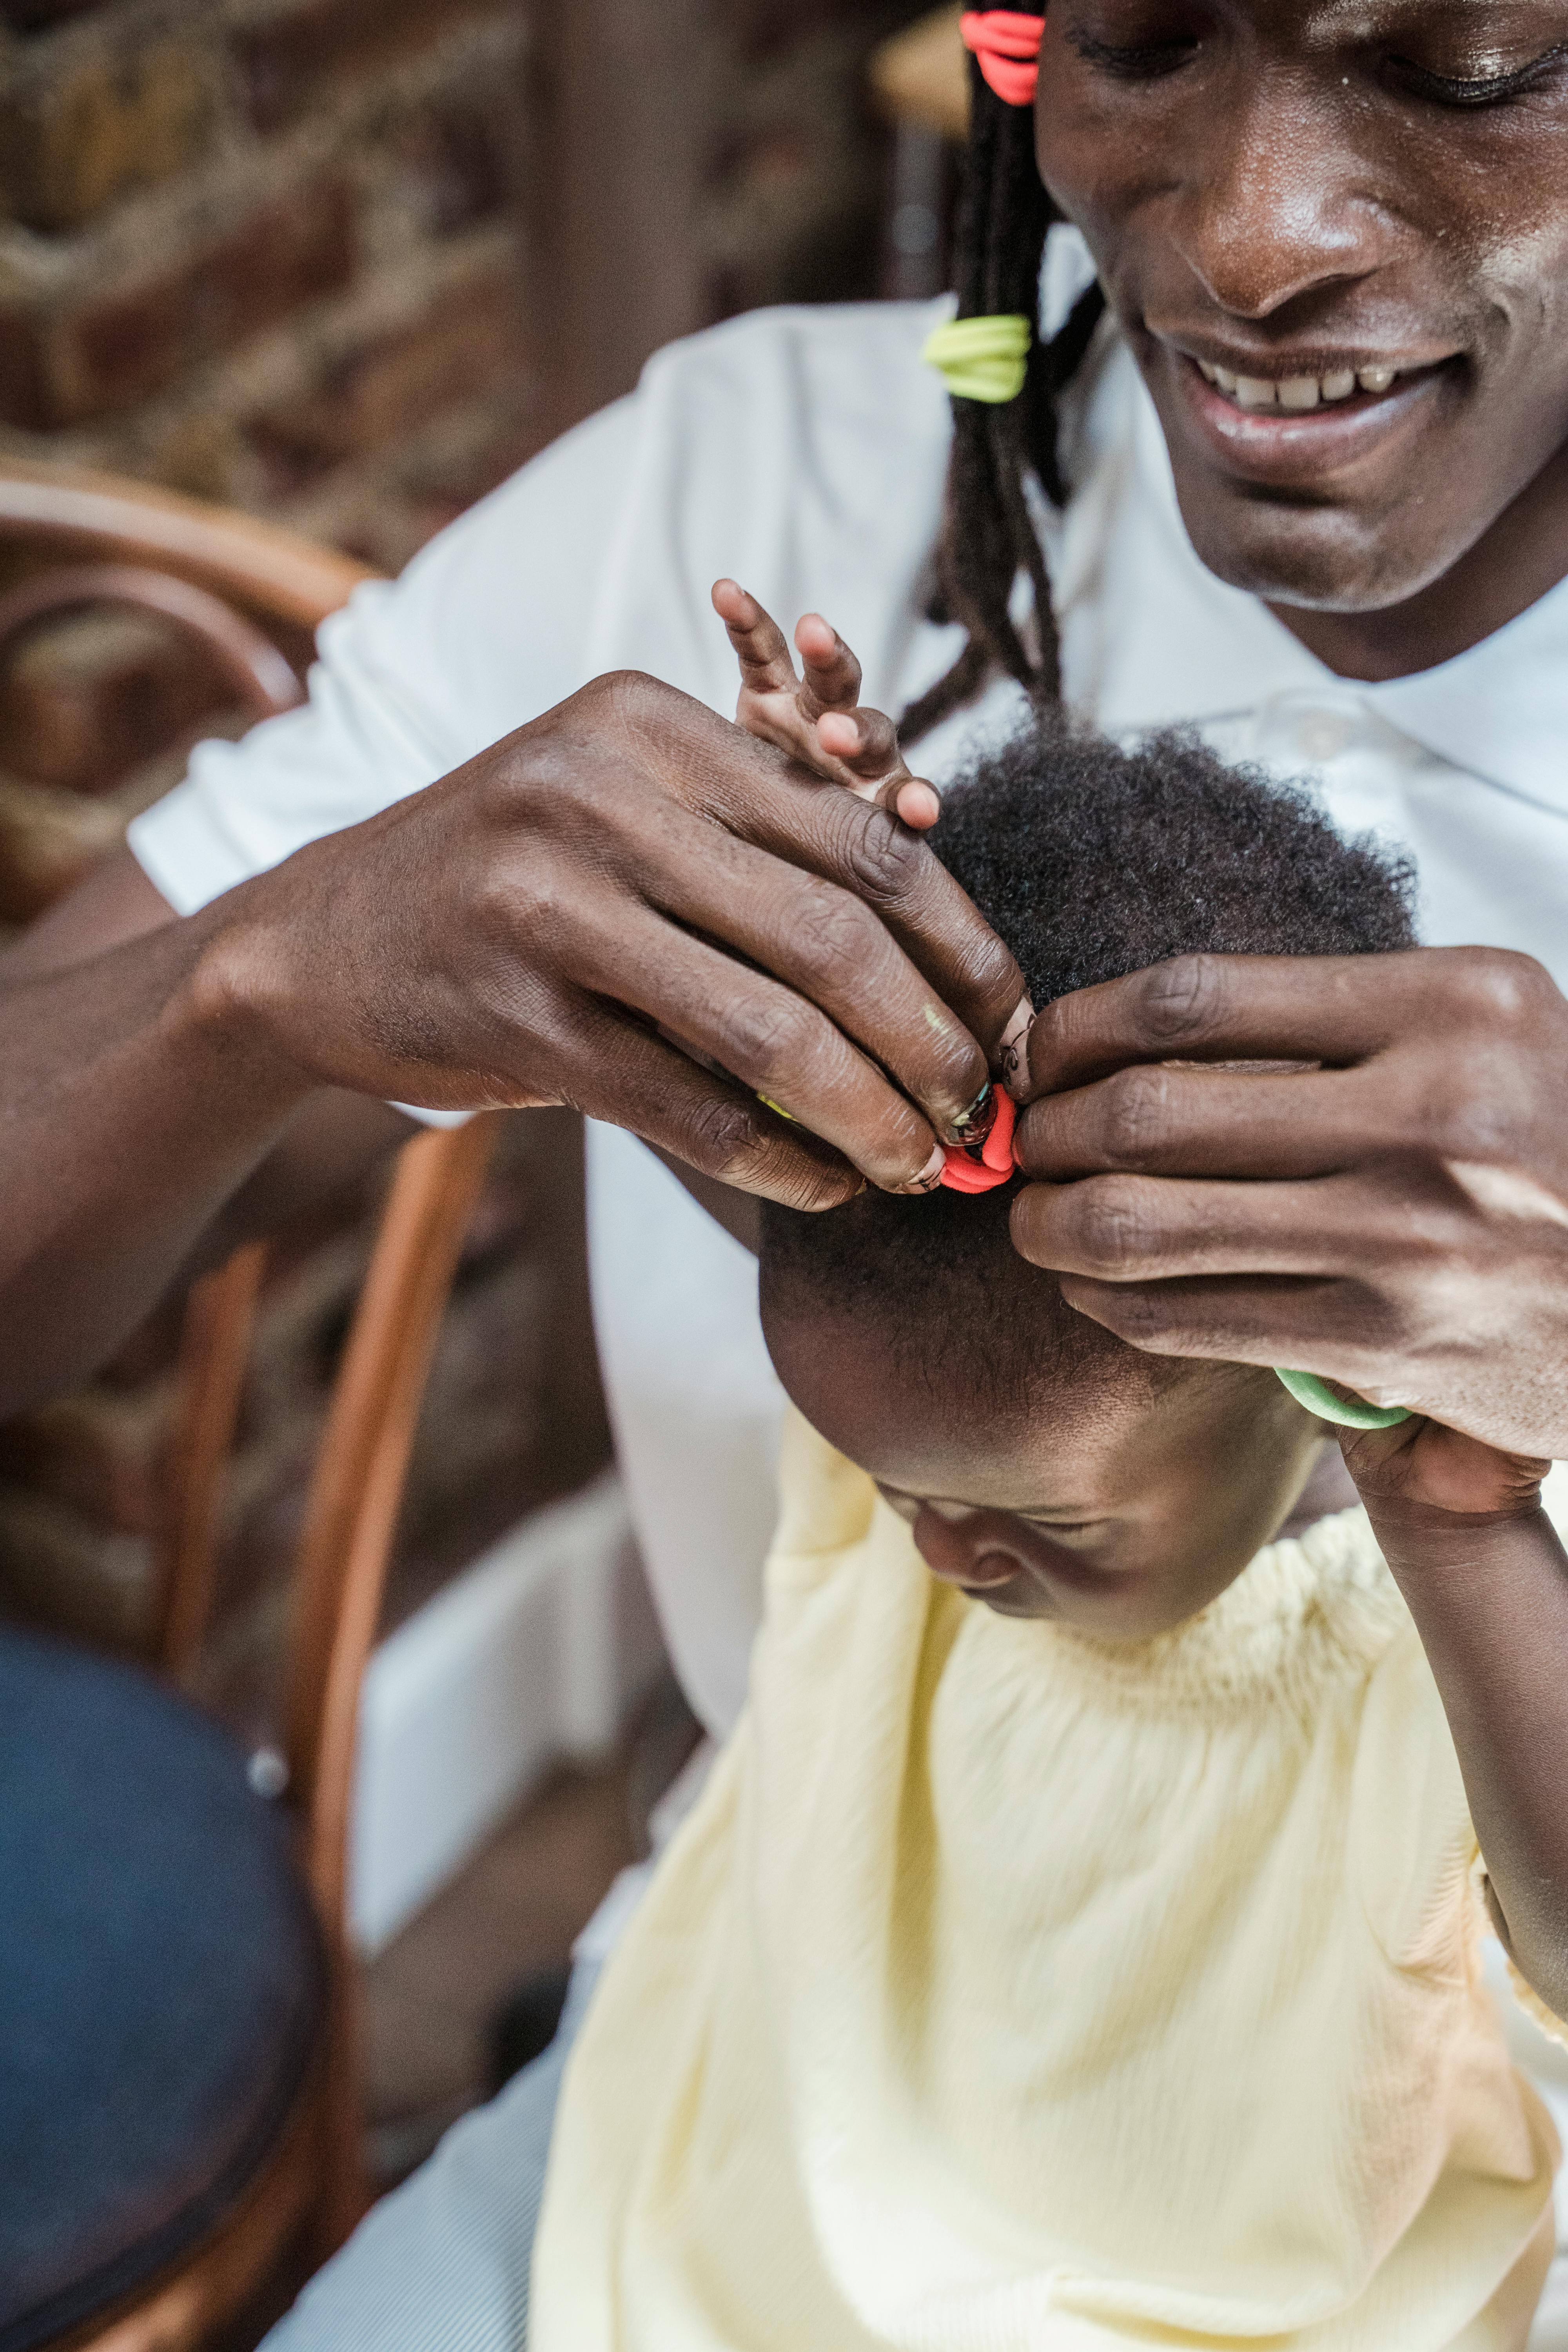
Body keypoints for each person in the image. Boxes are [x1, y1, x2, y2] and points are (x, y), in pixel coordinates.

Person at [0, 0, 1566, 2327]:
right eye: (1138, 33)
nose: (1250, 241)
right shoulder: (761, 495)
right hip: (754, 2090)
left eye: (1459, 66)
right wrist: (264, 979)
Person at [533, 720, 1568, 2349]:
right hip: (739, 2246)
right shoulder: (923, 1378)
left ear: (1310, 1380)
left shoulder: (1452, 1608)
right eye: (890, 1496)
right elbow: (638, 1040)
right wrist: (769, 911)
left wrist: (1460, 1517)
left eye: (1032, 1514)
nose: (942, 1558)